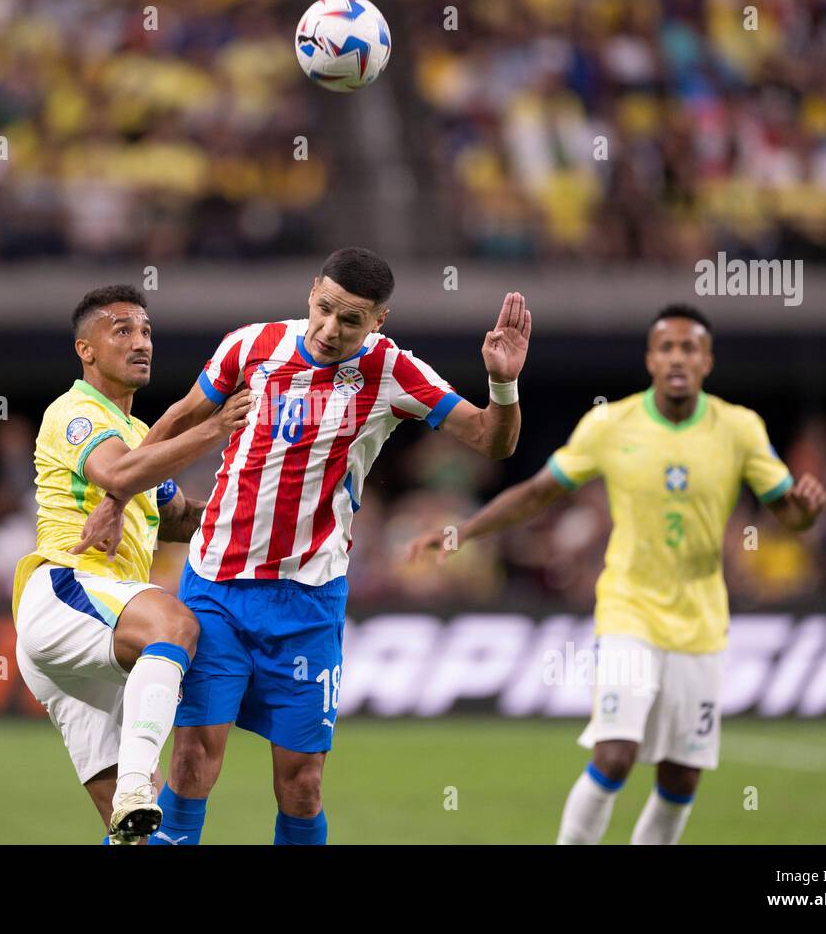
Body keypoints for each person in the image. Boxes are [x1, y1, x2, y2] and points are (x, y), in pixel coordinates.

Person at [78, 247, 532, 843]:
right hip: (216, 588)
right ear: (312, 291)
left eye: (351, 320)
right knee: (191, 764)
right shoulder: (249, 346)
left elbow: (490, 441)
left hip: (308, 602)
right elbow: (176, 423)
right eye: (324, 309)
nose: (329, 330)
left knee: (302, 784)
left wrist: (503, 383)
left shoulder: (394, 371)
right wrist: (115, 500)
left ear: (378, 322)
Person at [409, 303, 826, 844]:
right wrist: (463, 531)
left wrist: (807, 511)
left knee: (680, 776)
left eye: (690, 347)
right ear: (651, 359)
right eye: (668, 347)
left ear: (707, 361)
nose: (678, 357)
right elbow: (539, 491)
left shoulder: (739, 429)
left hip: (700, 623)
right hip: (629, 612)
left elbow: (787, 511)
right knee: (615, 754)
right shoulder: (610, 424)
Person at [11, 284, 250, 843]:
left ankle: (132, 800)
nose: (140, 342)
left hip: (85, 642)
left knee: (134, 838)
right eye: (122, 330)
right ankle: (138, 784)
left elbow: (176, 518)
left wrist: (262, 509)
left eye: (145, 331)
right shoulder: (74, 412)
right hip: (68, 591)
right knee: (177, 624)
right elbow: (118, 475)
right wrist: (214, 428)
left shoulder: (143, 437)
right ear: (85, 350)